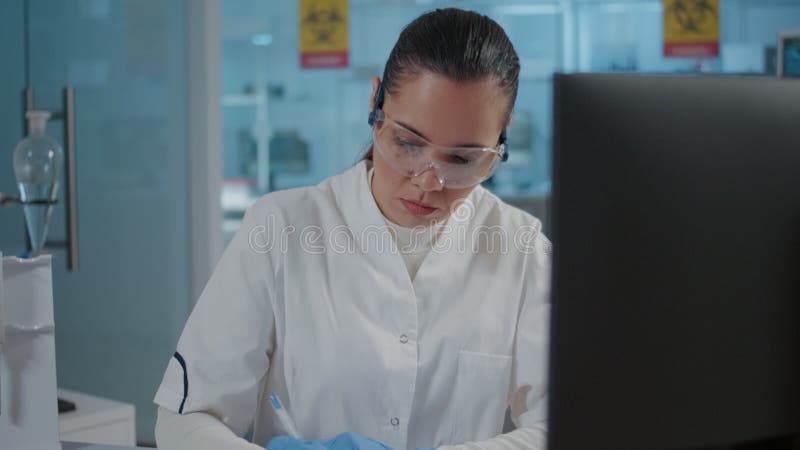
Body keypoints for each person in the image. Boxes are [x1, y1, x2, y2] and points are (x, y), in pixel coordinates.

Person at [154, 8, 551, 450]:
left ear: (501, 141)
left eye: (461, 159)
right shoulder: (280, 229)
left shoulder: (522, 248)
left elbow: (566, 426)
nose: (427, 181)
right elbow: (185, 420)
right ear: (375, 103)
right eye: (407, 143)